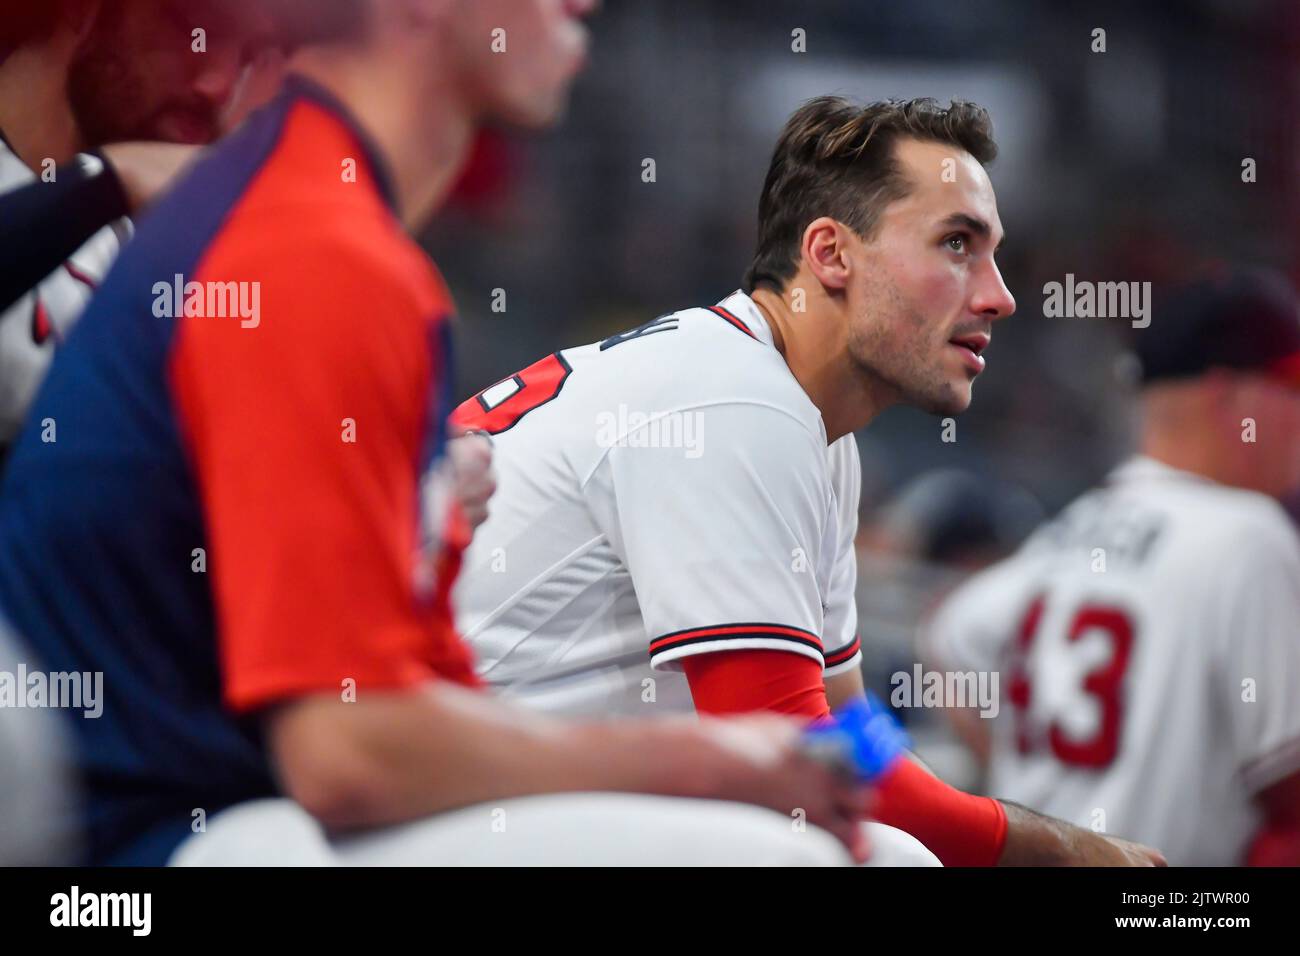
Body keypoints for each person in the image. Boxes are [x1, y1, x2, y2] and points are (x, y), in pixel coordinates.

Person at [0, 0, 872, 868]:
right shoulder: (309, 239)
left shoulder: (316, 211)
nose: (581, 4)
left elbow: (393, 700)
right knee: (786, 858)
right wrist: (695, 760)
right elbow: (345, 753)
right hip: (142, 853)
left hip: (218, 813)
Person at [452, 95, 1165, 866]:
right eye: (957, 244)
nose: (999, 294)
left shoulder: (798, 415)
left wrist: (997, 822)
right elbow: (788, 770)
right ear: (830, 255)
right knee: (830, 854)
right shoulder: (735, 398)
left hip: (487, 789)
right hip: (416, 801)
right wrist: (1069, 852)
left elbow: (845, 724)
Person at [925, 271, 1300, 866]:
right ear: (1232, 395)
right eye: (1292, 382)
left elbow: (950, 636)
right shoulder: (1251, 535)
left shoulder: (1073, 526)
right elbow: (1290, 799)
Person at [0, 0, 273, 459]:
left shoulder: (164, 260)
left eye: (246, 55)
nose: (219, 86)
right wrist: (106, 180)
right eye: (189, 25)